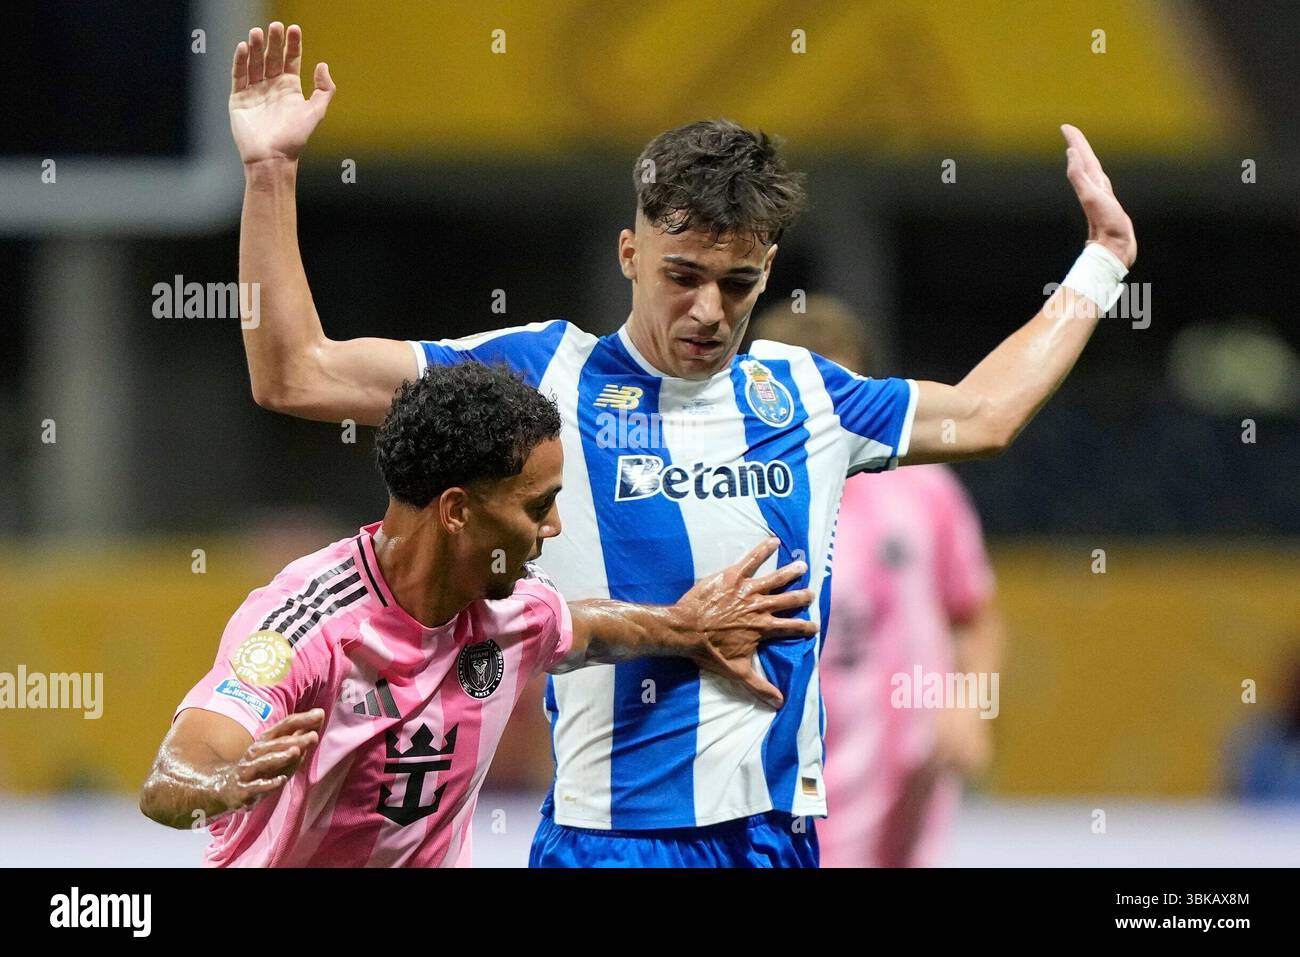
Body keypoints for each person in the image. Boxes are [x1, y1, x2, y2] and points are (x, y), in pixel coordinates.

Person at [228, 23, 1135, 867]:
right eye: (683, 275)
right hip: (611, 838)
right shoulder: (539, 372)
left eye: (738, 282)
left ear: (770, 268)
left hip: (779, 836)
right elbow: (295, 373)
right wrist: (271, 172)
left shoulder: (808, 392)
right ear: (630, 253)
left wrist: (1101, 262)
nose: (709, 310)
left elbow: (984, 414)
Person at [138, 363, 814, 866]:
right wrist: (218, 782)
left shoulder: (514, 611)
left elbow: (596, 627)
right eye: (537, 505)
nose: (554, 527)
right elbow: (173, 773)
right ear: (458, 510)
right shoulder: (306, 623)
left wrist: (687, 628)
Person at [754, 296, 1005, 867]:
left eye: (841, 390)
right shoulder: (737, 497)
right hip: (778, 781)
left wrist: (970, 707)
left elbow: (975, 613)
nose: (826, 413)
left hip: (903, 782)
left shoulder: (926, 490)